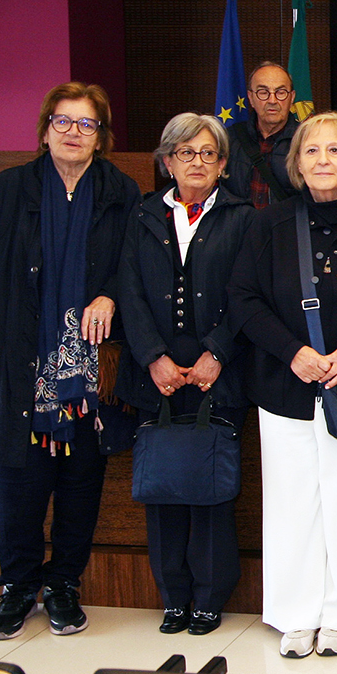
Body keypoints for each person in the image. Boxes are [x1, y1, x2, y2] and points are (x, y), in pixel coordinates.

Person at [227, 113, 337, 659]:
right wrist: (294, 353)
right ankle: (294, 612)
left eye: (335, 151)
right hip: (285, 384)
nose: (323, 160)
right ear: (297, 162)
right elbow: (243, 299)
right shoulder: (269, 225)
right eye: (312, 151)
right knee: (291, 504)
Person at [0, 82, 140, 640]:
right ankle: (18, 586)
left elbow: (137, 266)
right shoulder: (9, 190)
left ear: (101, 137)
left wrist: (110, 295)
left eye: (87, 124)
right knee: (20, 482)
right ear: (45, 128)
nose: (74, 133)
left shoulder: (122, 192)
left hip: (88, 373)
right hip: (22, 363)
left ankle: (63, 585)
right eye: (64, 122)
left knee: (81, 481)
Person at [116, 112, 253, 637]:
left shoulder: (243, 216)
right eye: (185, 153)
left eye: (208, 154)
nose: (196, 162)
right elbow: (127, 289)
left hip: (220, 372)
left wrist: (217, 352)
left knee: (210, 489)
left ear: (222, 163)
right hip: (157, 377)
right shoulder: (144, 213)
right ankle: (173, 596)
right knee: (165, 488)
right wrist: (152, 356)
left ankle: (209, 597)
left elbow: (248, 293)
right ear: (167, 160)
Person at [225, 61, 299, 207]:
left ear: (292, 98)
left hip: (285, 228)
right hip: (241, 228)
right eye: (263, 93)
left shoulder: (306, 141)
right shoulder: (230, 138)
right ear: (251, 98)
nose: (272, 100)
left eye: (281, 92)